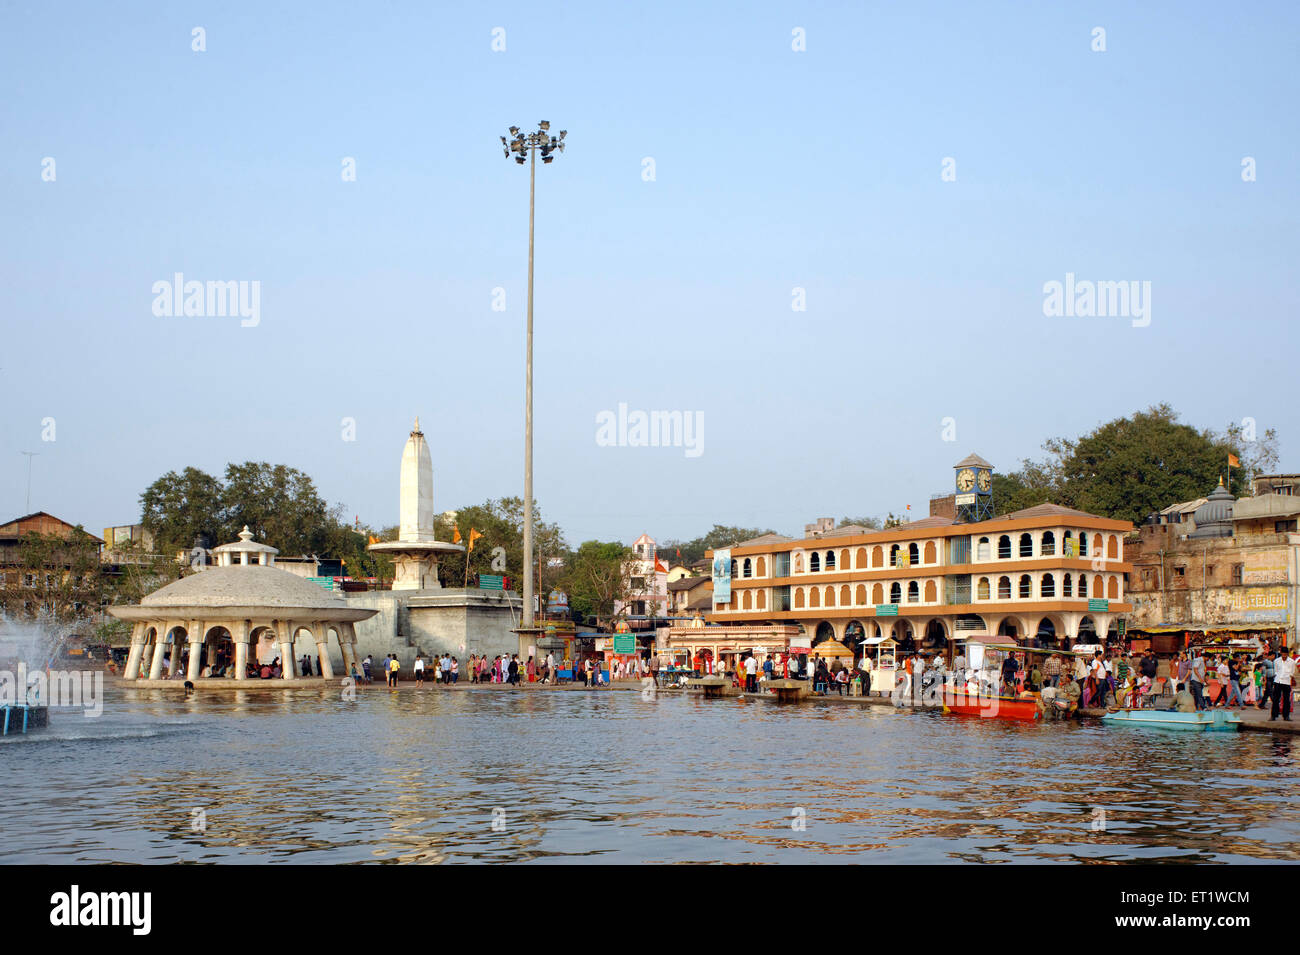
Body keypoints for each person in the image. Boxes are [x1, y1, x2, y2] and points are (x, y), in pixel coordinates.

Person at [1271, 647, 1295, 721]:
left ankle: (1286, 716)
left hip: (1287, 682)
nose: (1284, 655)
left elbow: (1292, 672)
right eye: (1283, 654)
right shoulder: (1276, 661)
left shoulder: (1291, 661)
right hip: (1278, 681)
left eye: (1285, 654)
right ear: (1281, 653)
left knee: (1286, 700)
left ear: (1287, 654)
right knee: (1275, 699)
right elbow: (1276, 671)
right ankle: (1274, 715)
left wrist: (1288, 677)